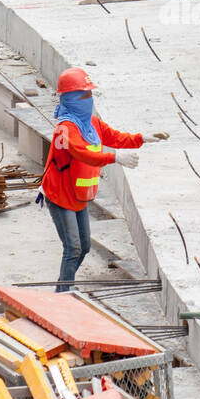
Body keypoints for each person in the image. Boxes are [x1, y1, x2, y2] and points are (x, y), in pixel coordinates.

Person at [40, 67, 167, 291]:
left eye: (90, 94)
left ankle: (63, 286)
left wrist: (142, 138)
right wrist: (115, 157)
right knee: (73, 248)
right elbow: (83, 153)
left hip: (79, 195)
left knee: (85, 247)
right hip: (60, 195)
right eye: (83, 95)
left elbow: (113, 136)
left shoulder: (91, 123)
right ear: (69, 98)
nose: (88, 99)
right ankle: (63, 293)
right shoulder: (65, 129)